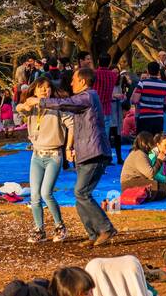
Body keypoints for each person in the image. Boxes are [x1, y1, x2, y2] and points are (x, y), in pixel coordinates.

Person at [32, 66, 116, 246]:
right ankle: (93, 234)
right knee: (80, 195)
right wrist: (71, 148)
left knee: (81, 192)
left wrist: (41, 101)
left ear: (83, 81)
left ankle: (106, 228)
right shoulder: (85, 98)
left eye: (74, 80)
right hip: (86, 153)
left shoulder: (88, 96)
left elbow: (65, 103)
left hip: (95, 153)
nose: (71, 83)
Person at [15, 74, 72, 243]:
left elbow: (72, 125)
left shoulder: (57, 107)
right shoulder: (32, 107)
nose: (44, 91)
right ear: (35, 89)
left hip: (54, 155)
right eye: (40, 88)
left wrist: (69, 147)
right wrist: (27, 103)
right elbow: (19, 108)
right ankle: (38, 229)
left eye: (47, 88)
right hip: (36, 156)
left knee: (46, 193)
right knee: (34, 195)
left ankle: (60, 225)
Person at [120, 132, 166, 199]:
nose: (152, 146)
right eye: (151, 143)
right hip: (130, 184)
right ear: (146, 144)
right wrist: (159, 160)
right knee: (165, 189)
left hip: (133, 182)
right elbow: (150, 174)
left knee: (164, 188)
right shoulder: (139, 154)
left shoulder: (140, 153)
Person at [130, 62, 166, 137]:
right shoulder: (165, 85)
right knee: (156, 141)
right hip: (158, 118)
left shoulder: (142, 83)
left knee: (144, 141)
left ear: (148, 71)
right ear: (158, 72)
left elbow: (135, 100)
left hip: (145, 117)